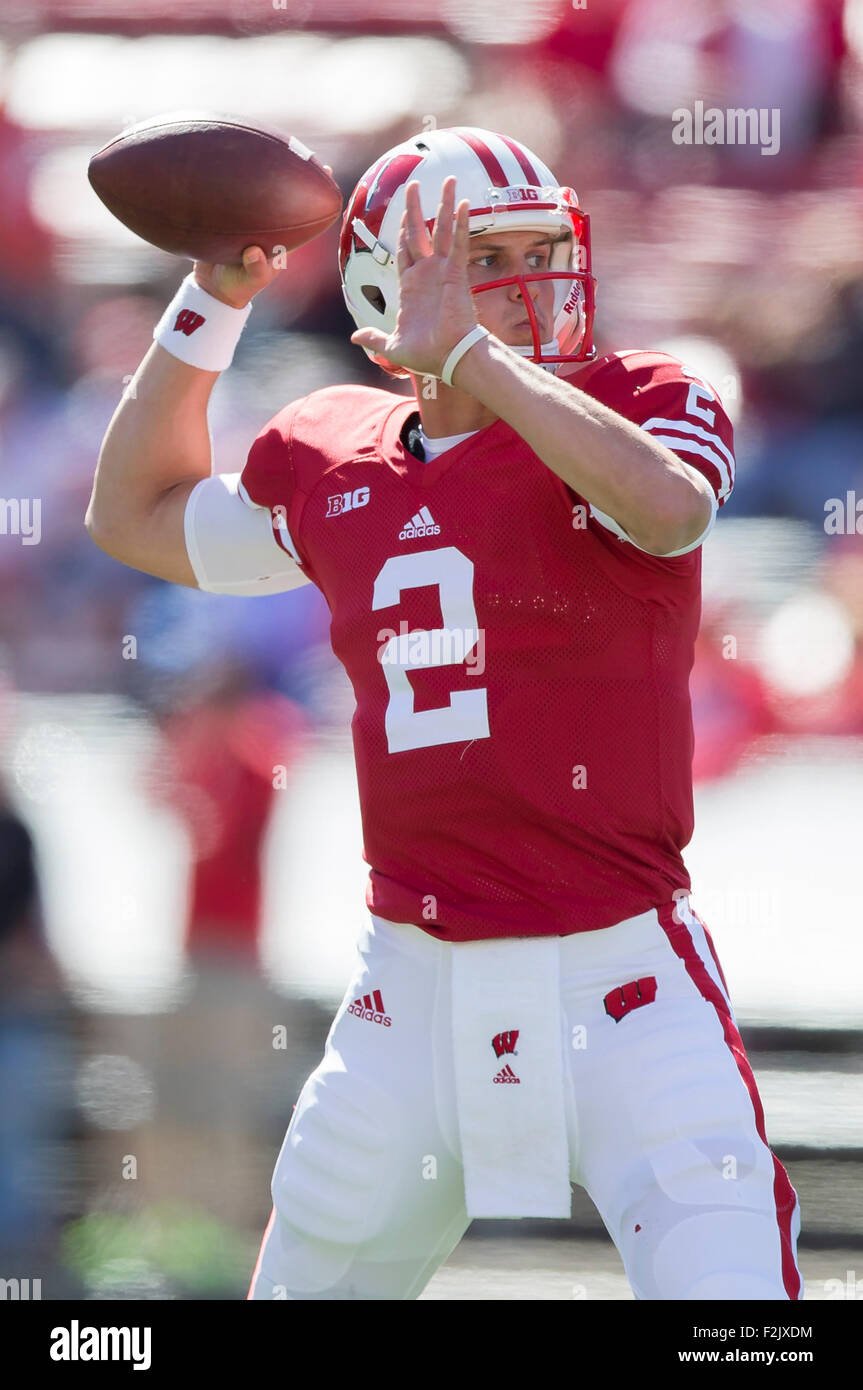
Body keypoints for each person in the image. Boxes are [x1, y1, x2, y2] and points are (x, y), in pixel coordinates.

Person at [86, 127, 801, 1300]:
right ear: (383, 282)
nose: (535, 283)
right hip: (406, 989)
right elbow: (137, 518)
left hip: (620, 976)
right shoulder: (332, 455)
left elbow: (667, 511)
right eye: (488, 257)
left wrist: (472, 350)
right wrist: (214, 297)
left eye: (539, 249)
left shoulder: (638, 402)